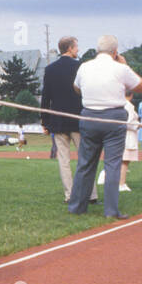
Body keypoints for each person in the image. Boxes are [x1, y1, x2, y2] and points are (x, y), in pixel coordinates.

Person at [67, 35, 142, 220]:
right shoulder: (120, 68)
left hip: (89, 117)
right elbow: (140, 86)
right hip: (113, 119)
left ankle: (77, 207)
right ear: (115, 52)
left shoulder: (84, 66)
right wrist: (125, 65)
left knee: (85, 164)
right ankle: (110, 210)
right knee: (112, 164)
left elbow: (76, 88)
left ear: (97, 50)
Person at [41, 36, 94, 203]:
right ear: (70, 48)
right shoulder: (81, 67)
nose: (78, 50)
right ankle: (91, 195)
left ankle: (70, 195)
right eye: (76, 47)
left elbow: (45, 98)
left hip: (58, 122)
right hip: (78, 120)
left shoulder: (50, 69)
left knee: (63, 161)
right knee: (86, 160)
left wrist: (45, 122)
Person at [120, 95, 139, 191]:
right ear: (131, 95)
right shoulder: (128, 106)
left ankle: (119, 182)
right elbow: (130, 123)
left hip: (121, 134)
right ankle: (121, 184)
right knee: (125, 160)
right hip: (127, 135)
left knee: (121, 160)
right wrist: (138, 125)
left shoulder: (119, 103)